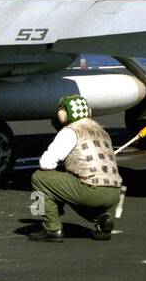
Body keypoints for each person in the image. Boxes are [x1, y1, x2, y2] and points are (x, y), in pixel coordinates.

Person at [28, 93, 124, 243]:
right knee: (73, 185)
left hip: (92, 190)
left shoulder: (70, 131)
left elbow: (45, 163)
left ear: (63, 114)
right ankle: (102, 218)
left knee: (39, 178)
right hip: (114, 192)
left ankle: (51, 228)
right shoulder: (103, 132)